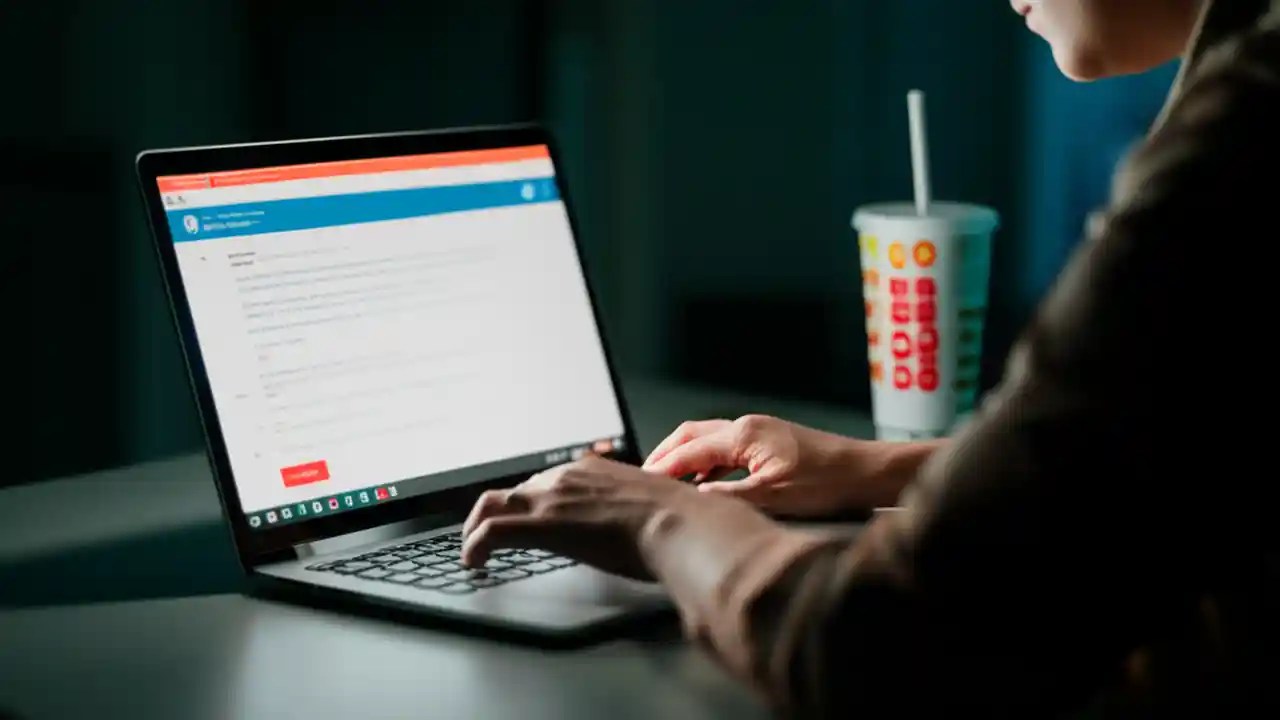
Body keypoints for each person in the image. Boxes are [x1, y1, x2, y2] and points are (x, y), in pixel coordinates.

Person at [461, 0, 1276, 715]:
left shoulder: (1244, 137)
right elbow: (1166, 453)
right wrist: (873, 467)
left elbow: (884, 647)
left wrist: (659, 516)